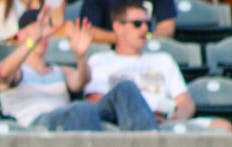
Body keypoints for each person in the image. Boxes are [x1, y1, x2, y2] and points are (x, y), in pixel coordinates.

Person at [0, 7, 157, 130]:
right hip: (35, 125)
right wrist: (31, 42)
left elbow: (80, 81)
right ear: (21, 34)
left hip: (70, 119)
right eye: (37, 28)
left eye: (45, 29)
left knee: (126, 89)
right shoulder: (18, 71)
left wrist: (80, 57)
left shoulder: (59, 71)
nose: (43, 34)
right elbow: (4, 72)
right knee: (82, 108)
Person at [84, 1, 232, 131]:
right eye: (137, 24)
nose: (144, 29)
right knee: (127, 89)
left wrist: (175, 118)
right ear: (118, 27)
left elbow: (185, 102)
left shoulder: (163, 59)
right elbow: (97, 104)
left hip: (165, 121)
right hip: (126, 125)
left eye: (147, 24)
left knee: (223, 127)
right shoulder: (100, 60)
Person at [80, 0, 176, 44]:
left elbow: (167, 28)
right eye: (137, 24)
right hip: (107, 50)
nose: (144, 26)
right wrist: (127, 39)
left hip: (147, 49)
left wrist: (145, 36)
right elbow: (88, 30)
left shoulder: (165, 61)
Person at [0, 0, 67, 45]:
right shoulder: (3, 2)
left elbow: (59, 39)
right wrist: (32, 40)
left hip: (43, 61)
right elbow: (8, 41)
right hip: (2, 59)